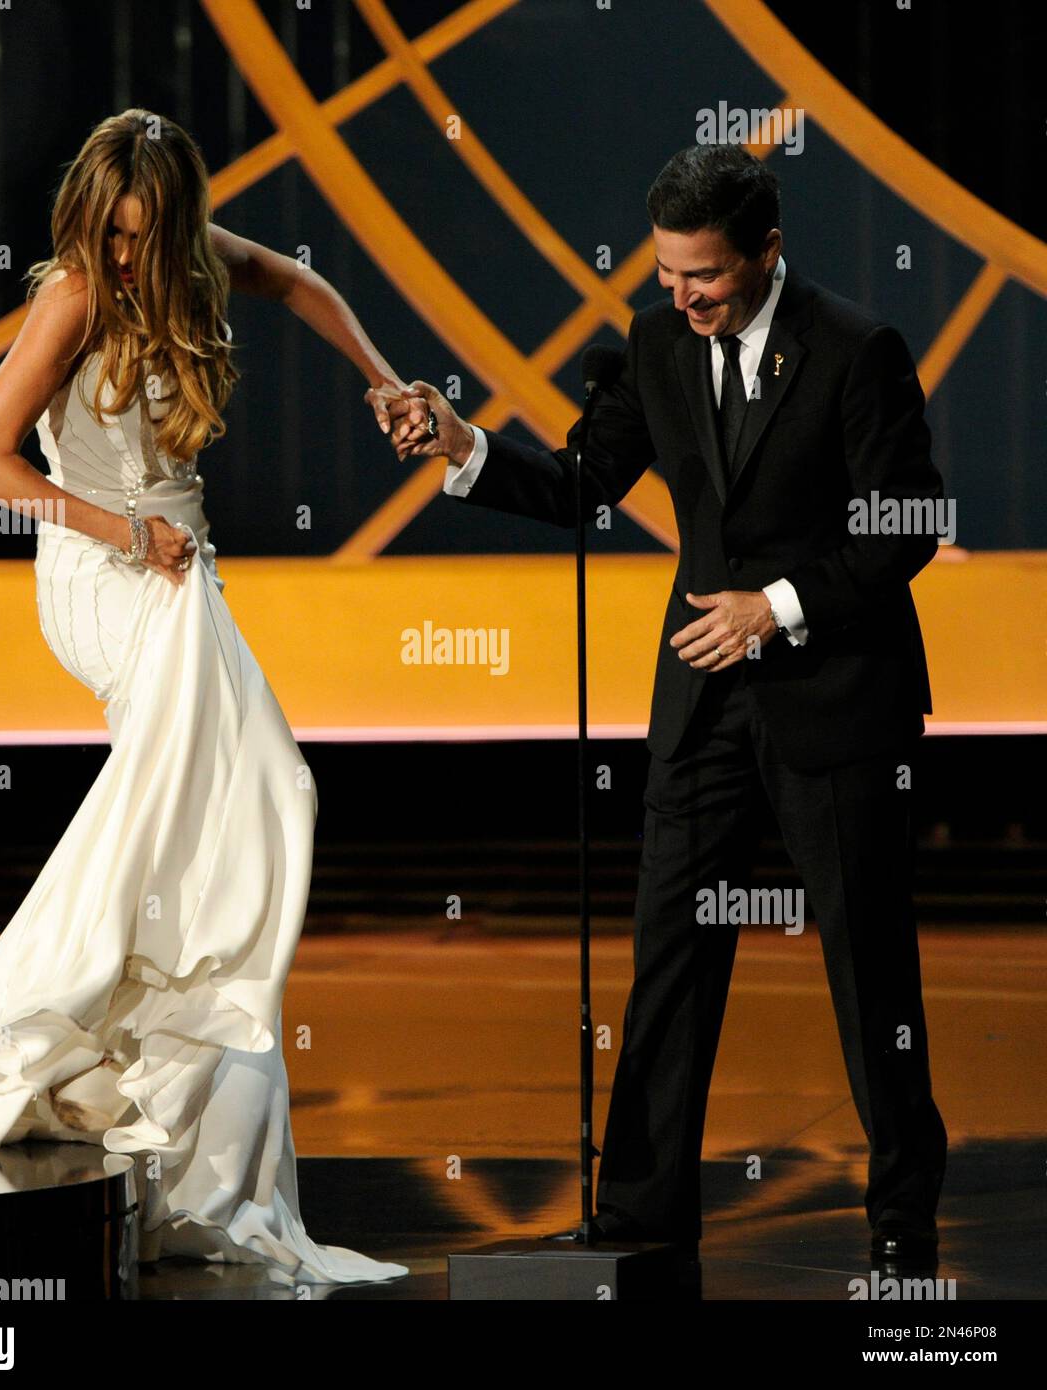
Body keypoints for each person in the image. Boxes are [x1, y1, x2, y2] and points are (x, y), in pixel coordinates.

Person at [0, 109, 410, 1285]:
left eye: (139, 236)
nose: (121, 257)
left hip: (178, 564)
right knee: (265, 783)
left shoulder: (202, 258)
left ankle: (153, 1077)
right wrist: (123, 529)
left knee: (225, 820)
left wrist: (379, 379)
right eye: (109, 235)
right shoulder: (71, 296)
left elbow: (302, 285)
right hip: (107, 575)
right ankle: (25, 1026)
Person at [384, 143, 948, 1263]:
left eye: (706, 278)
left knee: (865, 966)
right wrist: (464, 450)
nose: (683, 298)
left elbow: (908, 520)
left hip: (831, 701)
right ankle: (640, 1221)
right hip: (701, 705)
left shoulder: (851, 349)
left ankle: (896, 1228)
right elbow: (580, 481)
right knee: (668, 960)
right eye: (666, 275)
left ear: (765, 252)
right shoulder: (652, 344)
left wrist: (772, 605)